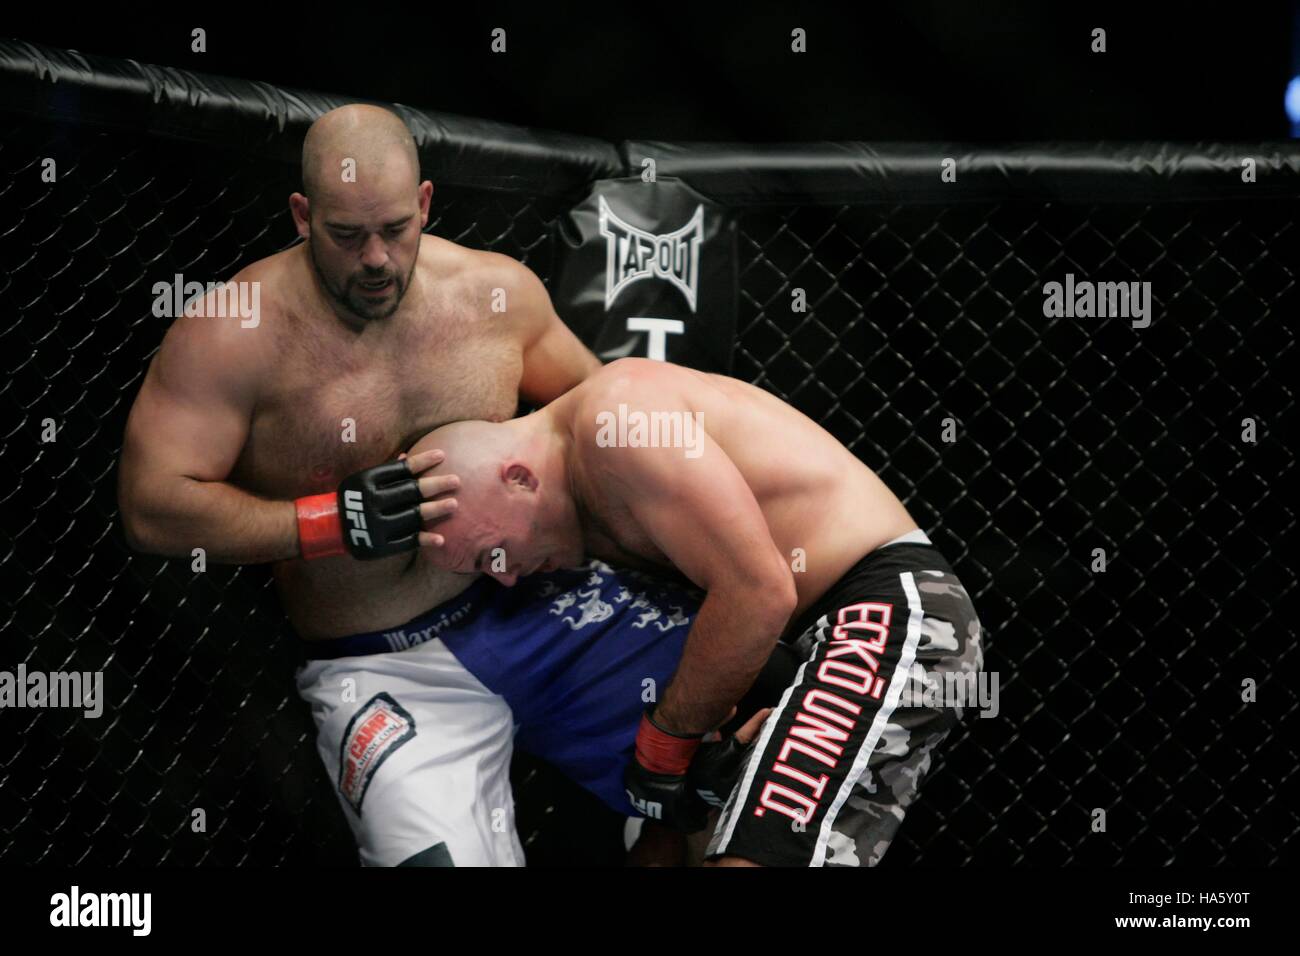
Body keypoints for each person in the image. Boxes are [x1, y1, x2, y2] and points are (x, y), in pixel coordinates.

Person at [118, 104, 705, 866]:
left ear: (426, 204)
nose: (375, 259)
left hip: (533, 604)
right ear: (302, 217)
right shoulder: (233, 333)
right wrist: (328, 522)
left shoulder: (497, 297)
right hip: (380, 661)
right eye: (346, 235)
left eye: (395, 230)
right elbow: (152, 509)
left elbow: (603, 424)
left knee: (725, 767)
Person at [411, 356, 985, 866]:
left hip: (891, 615)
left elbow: (759, 594)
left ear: (518, 478)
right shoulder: (581, 491)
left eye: (494, 553)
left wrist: (663, 749)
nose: (506, 576)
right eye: (486, 570)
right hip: (798, 653)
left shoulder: (623, 422)